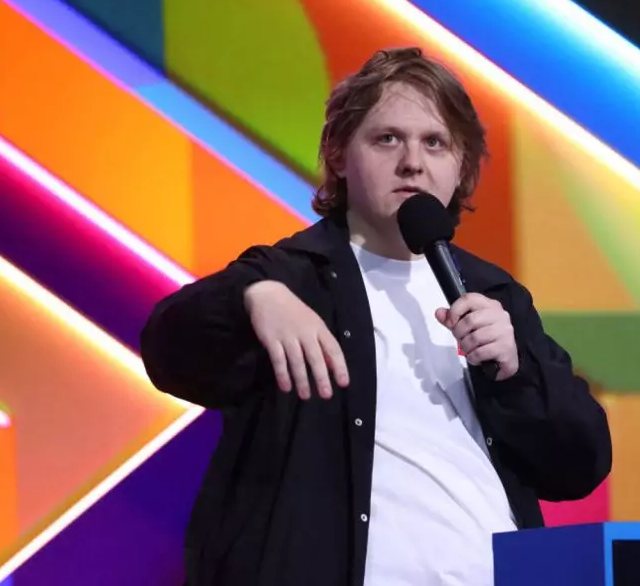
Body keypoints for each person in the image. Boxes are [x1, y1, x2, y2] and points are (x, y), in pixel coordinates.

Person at [140, 46, 612, 586]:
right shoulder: (293, 276)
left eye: (435, 143)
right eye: (388, 138)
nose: (413, 161)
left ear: (460, 168)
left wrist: (517, 371)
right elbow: (167, 348)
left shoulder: (492, 293)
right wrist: (252, 298)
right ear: (339, 156)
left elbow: (581, 464)